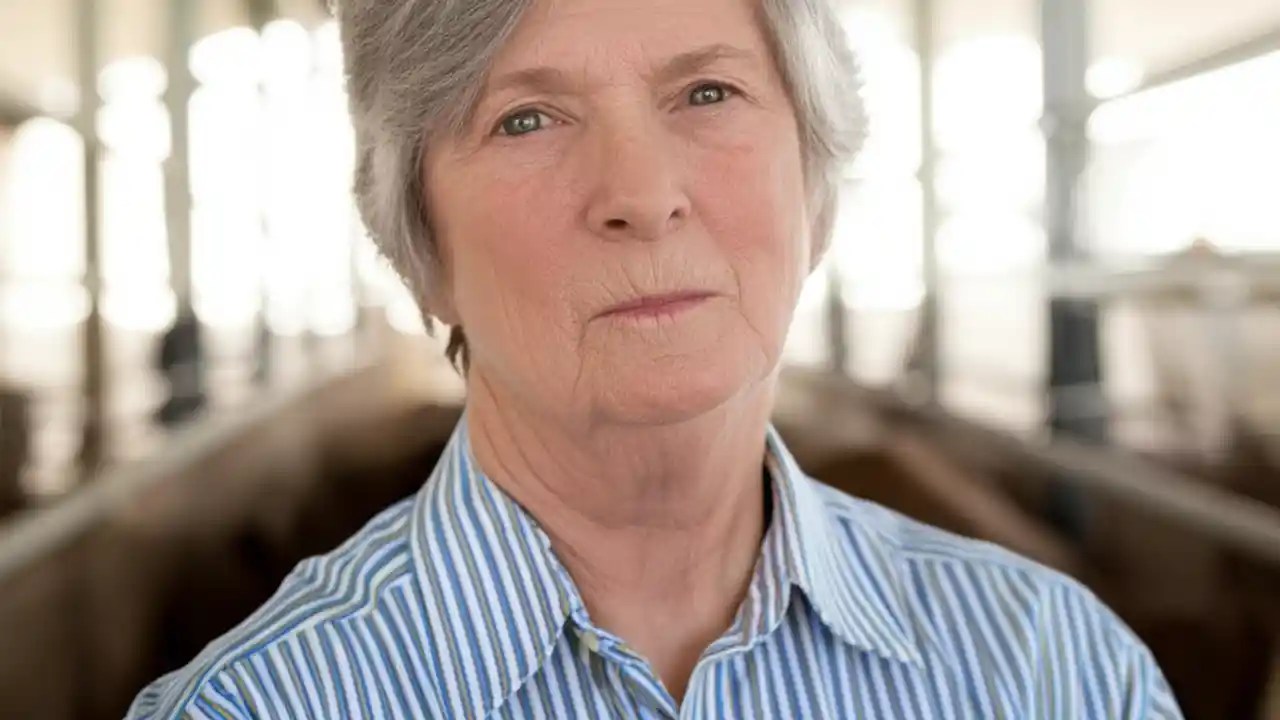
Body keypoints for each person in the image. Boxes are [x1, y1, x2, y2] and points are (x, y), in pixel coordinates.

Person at [127, 0, 1184, 716]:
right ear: (420, 246)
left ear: (813, 191)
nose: (641, 192)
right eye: (526, 119)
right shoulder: (257, 703)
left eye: (707, 94)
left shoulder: (1058, 670)